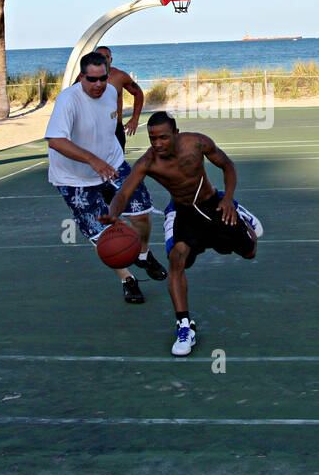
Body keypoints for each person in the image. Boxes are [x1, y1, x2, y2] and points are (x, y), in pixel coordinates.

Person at [103, 111, 263, 356]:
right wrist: (113, 213)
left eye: (163, 137)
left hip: (214, 205)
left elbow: (227, 166)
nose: (158, 144)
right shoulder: (148, 162)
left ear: (176, 134)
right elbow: (124, 193)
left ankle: (240, 213)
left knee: (250, 252)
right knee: (177, 259)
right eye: (153, 138)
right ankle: (185, 326)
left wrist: (228, 199)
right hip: (183, 212)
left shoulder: (197, 143)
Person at [45, 51, 168, 303]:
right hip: (74, 178)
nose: (99, 84)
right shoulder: (68, 100)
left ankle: (143, 254)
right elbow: (55, 140)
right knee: (104, 235)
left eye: (103, 78)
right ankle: (127, 279)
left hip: (113, 165)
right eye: (92, 79)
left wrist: (105, 157)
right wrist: (93, 159)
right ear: (81, 77)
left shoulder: (111, 92)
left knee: (141, 213)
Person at [94, 45, 145, 150]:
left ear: (111, 60)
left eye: (106, 57)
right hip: (94, 129)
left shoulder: (119, 76)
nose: (103, 59)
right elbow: (73, 97)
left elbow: (138, 93)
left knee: (118, 160)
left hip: (116, 129)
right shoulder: (85, 77)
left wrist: (135, 118)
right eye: (99, 56)